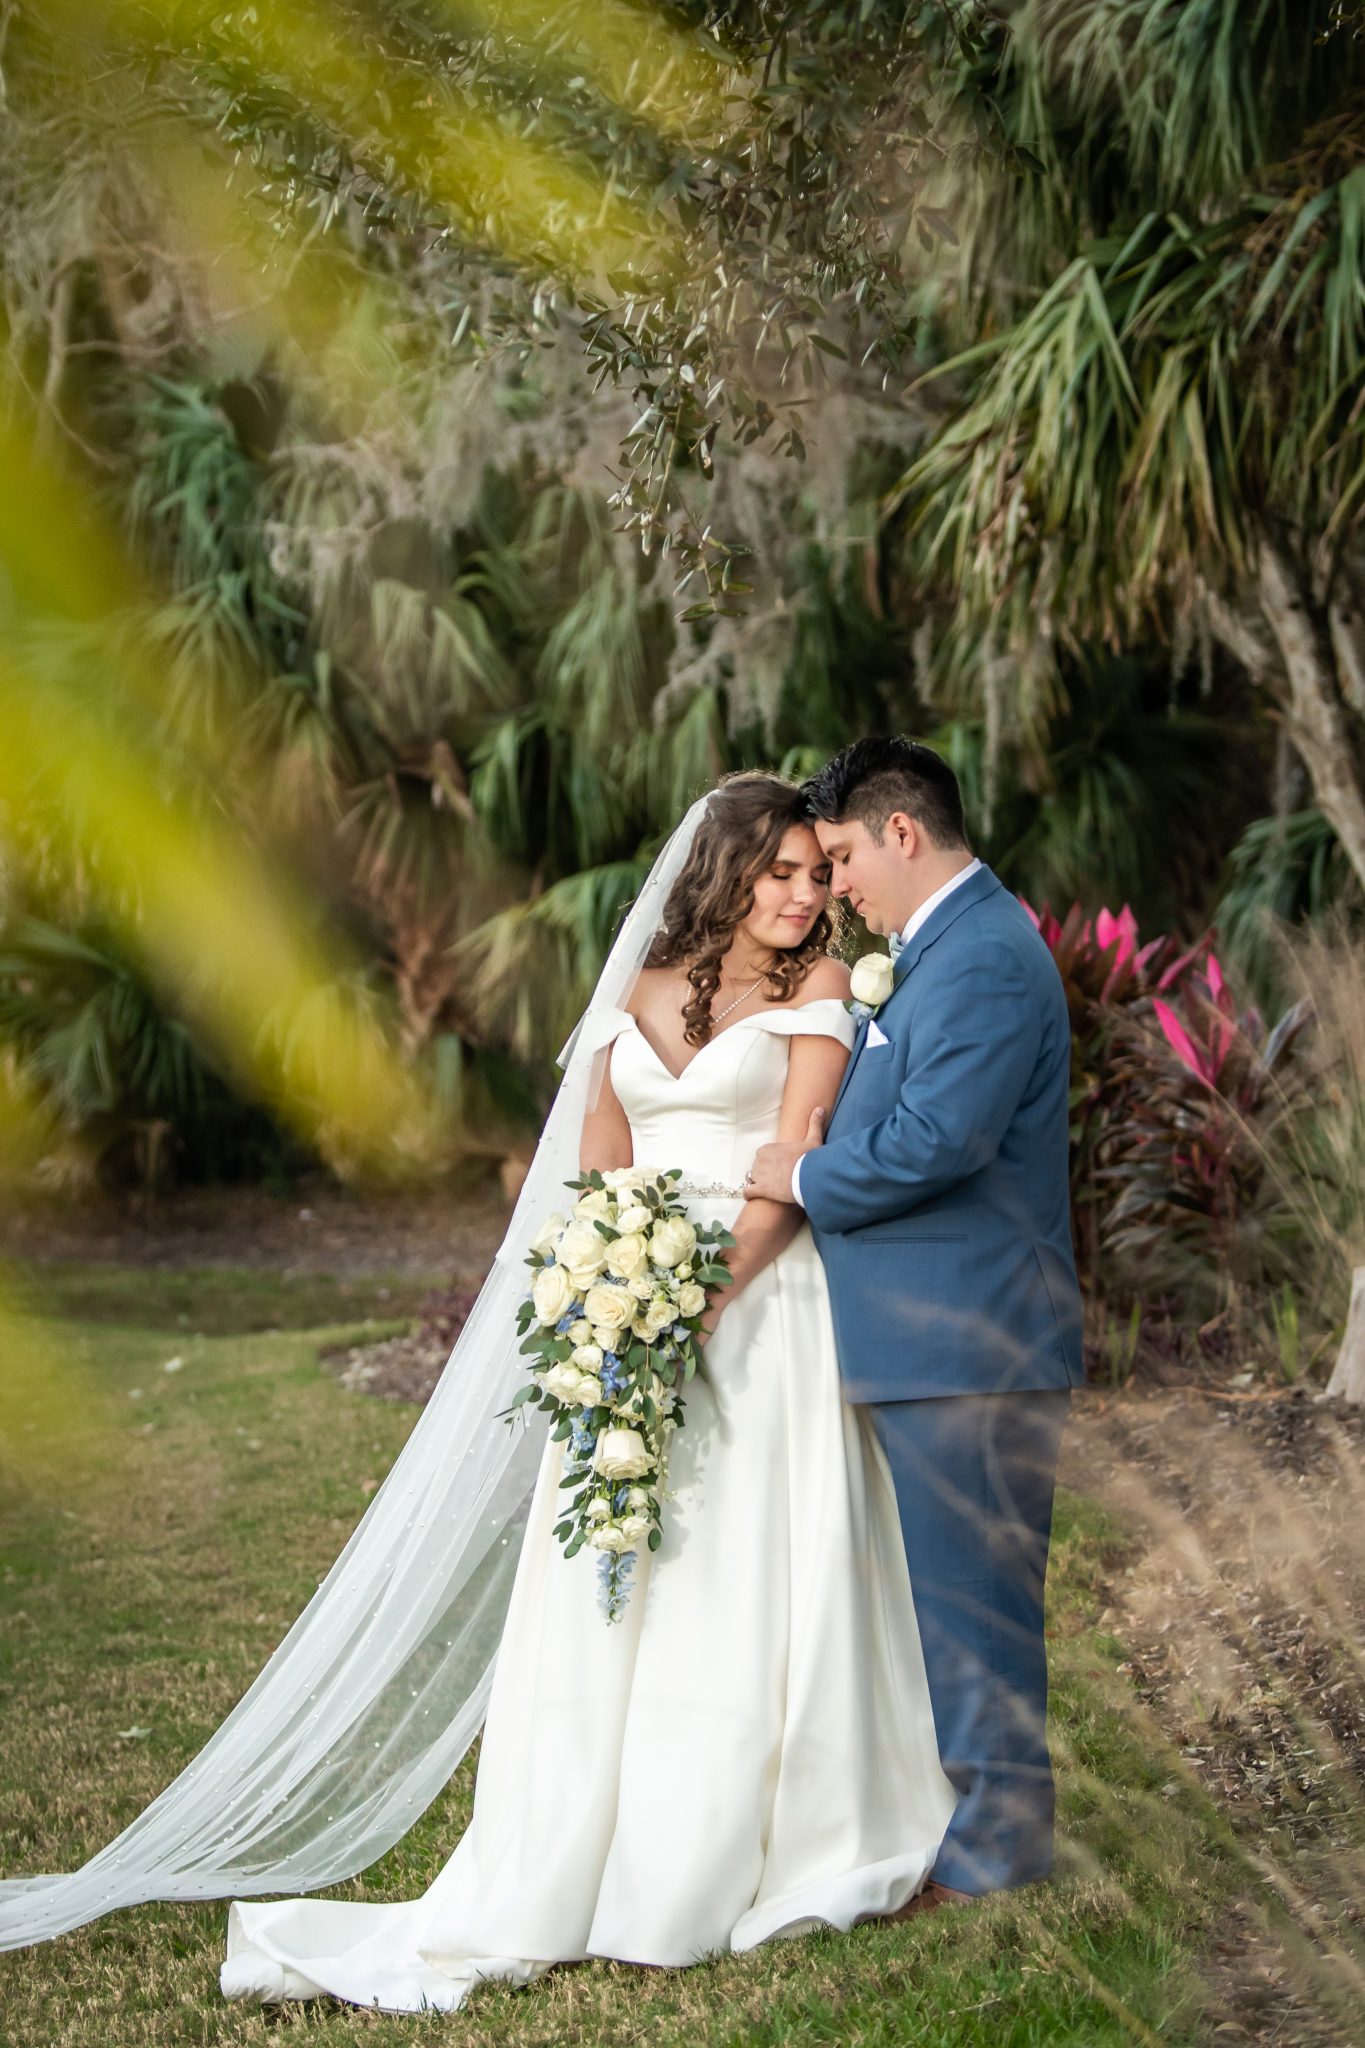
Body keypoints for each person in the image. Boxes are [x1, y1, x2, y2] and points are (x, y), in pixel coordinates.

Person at [211, 769, 956, 2008]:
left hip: (763, 1308)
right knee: (626, 1563)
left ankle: (756, 1835)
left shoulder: (821, 990)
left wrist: (707, 1297)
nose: (803, 893)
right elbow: (600, 1158)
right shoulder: (638, 994)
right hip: (631, 1307)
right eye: (777, 872)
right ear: (720, 873)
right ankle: (585, 1834)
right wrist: (607, 1289)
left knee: (746, 1560)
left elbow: (795, 1162)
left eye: (815, 873)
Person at [744, 737, 1085, 1908]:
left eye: (839, 856)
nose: (832, 884)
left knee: (976, 1602)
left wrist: (803, 1176)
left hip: (972, 1340)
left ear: (900, 832)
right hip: (940, 1336)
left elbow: (943, 1139)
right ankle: (982, 1828)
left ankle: (999, 1855)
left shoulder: (983, 955)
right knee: (952, 1601)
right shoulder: (939, 948)